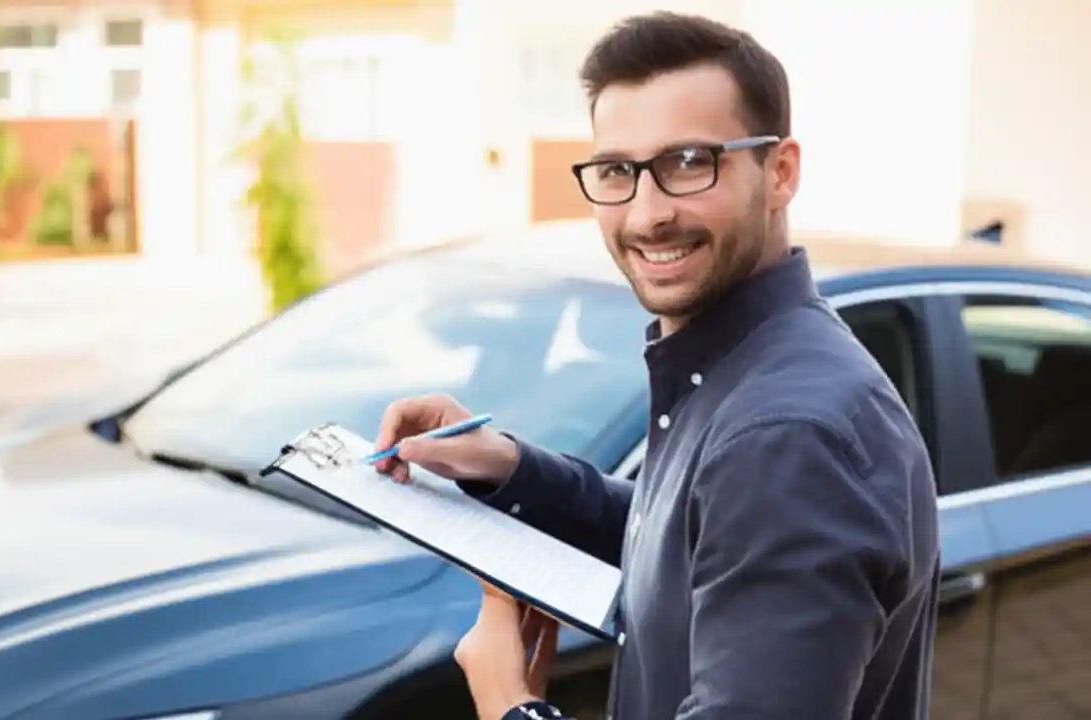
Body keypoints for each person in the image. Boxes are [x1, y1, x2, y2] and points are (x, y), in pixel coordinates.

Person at [373, 10, 941, 720]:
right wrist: (508, 466)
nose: (646, 214)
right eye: (617, 170)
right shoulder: (742, 369)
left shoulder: (788, 437)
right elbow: (689, 545)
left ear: (781, 172)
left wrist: (508, 705)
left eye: (687, 164)